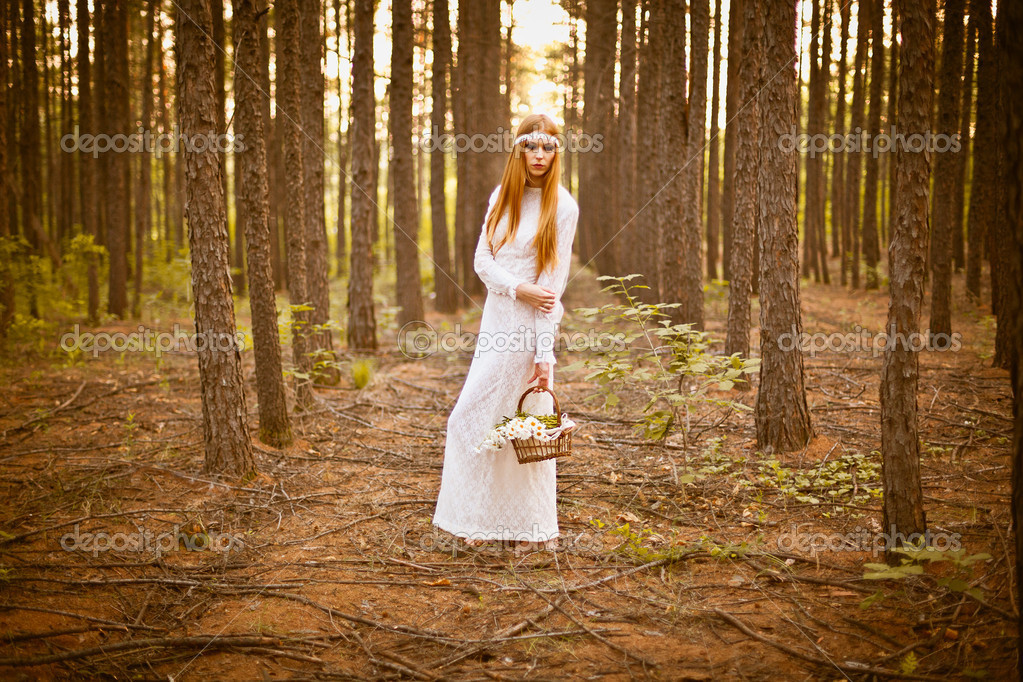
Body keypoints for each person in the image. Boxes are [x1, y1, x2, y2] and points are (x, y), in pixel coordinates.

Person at [432, 113, 579, 551]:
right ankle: (479, 524)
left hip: (527, 335)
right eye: (531, 146)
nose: (539, 155)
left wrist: (544, 357)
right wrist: (519, 288)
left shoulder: (564, 206)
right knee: (484, 424)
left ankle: (530, 530)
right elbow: (482, 260)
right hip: (495, 324)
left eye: (548, 147)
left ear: (557, 152)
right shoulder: (503, 197)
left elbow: (552, 289)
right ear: (519, 149)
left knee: (519, 430)